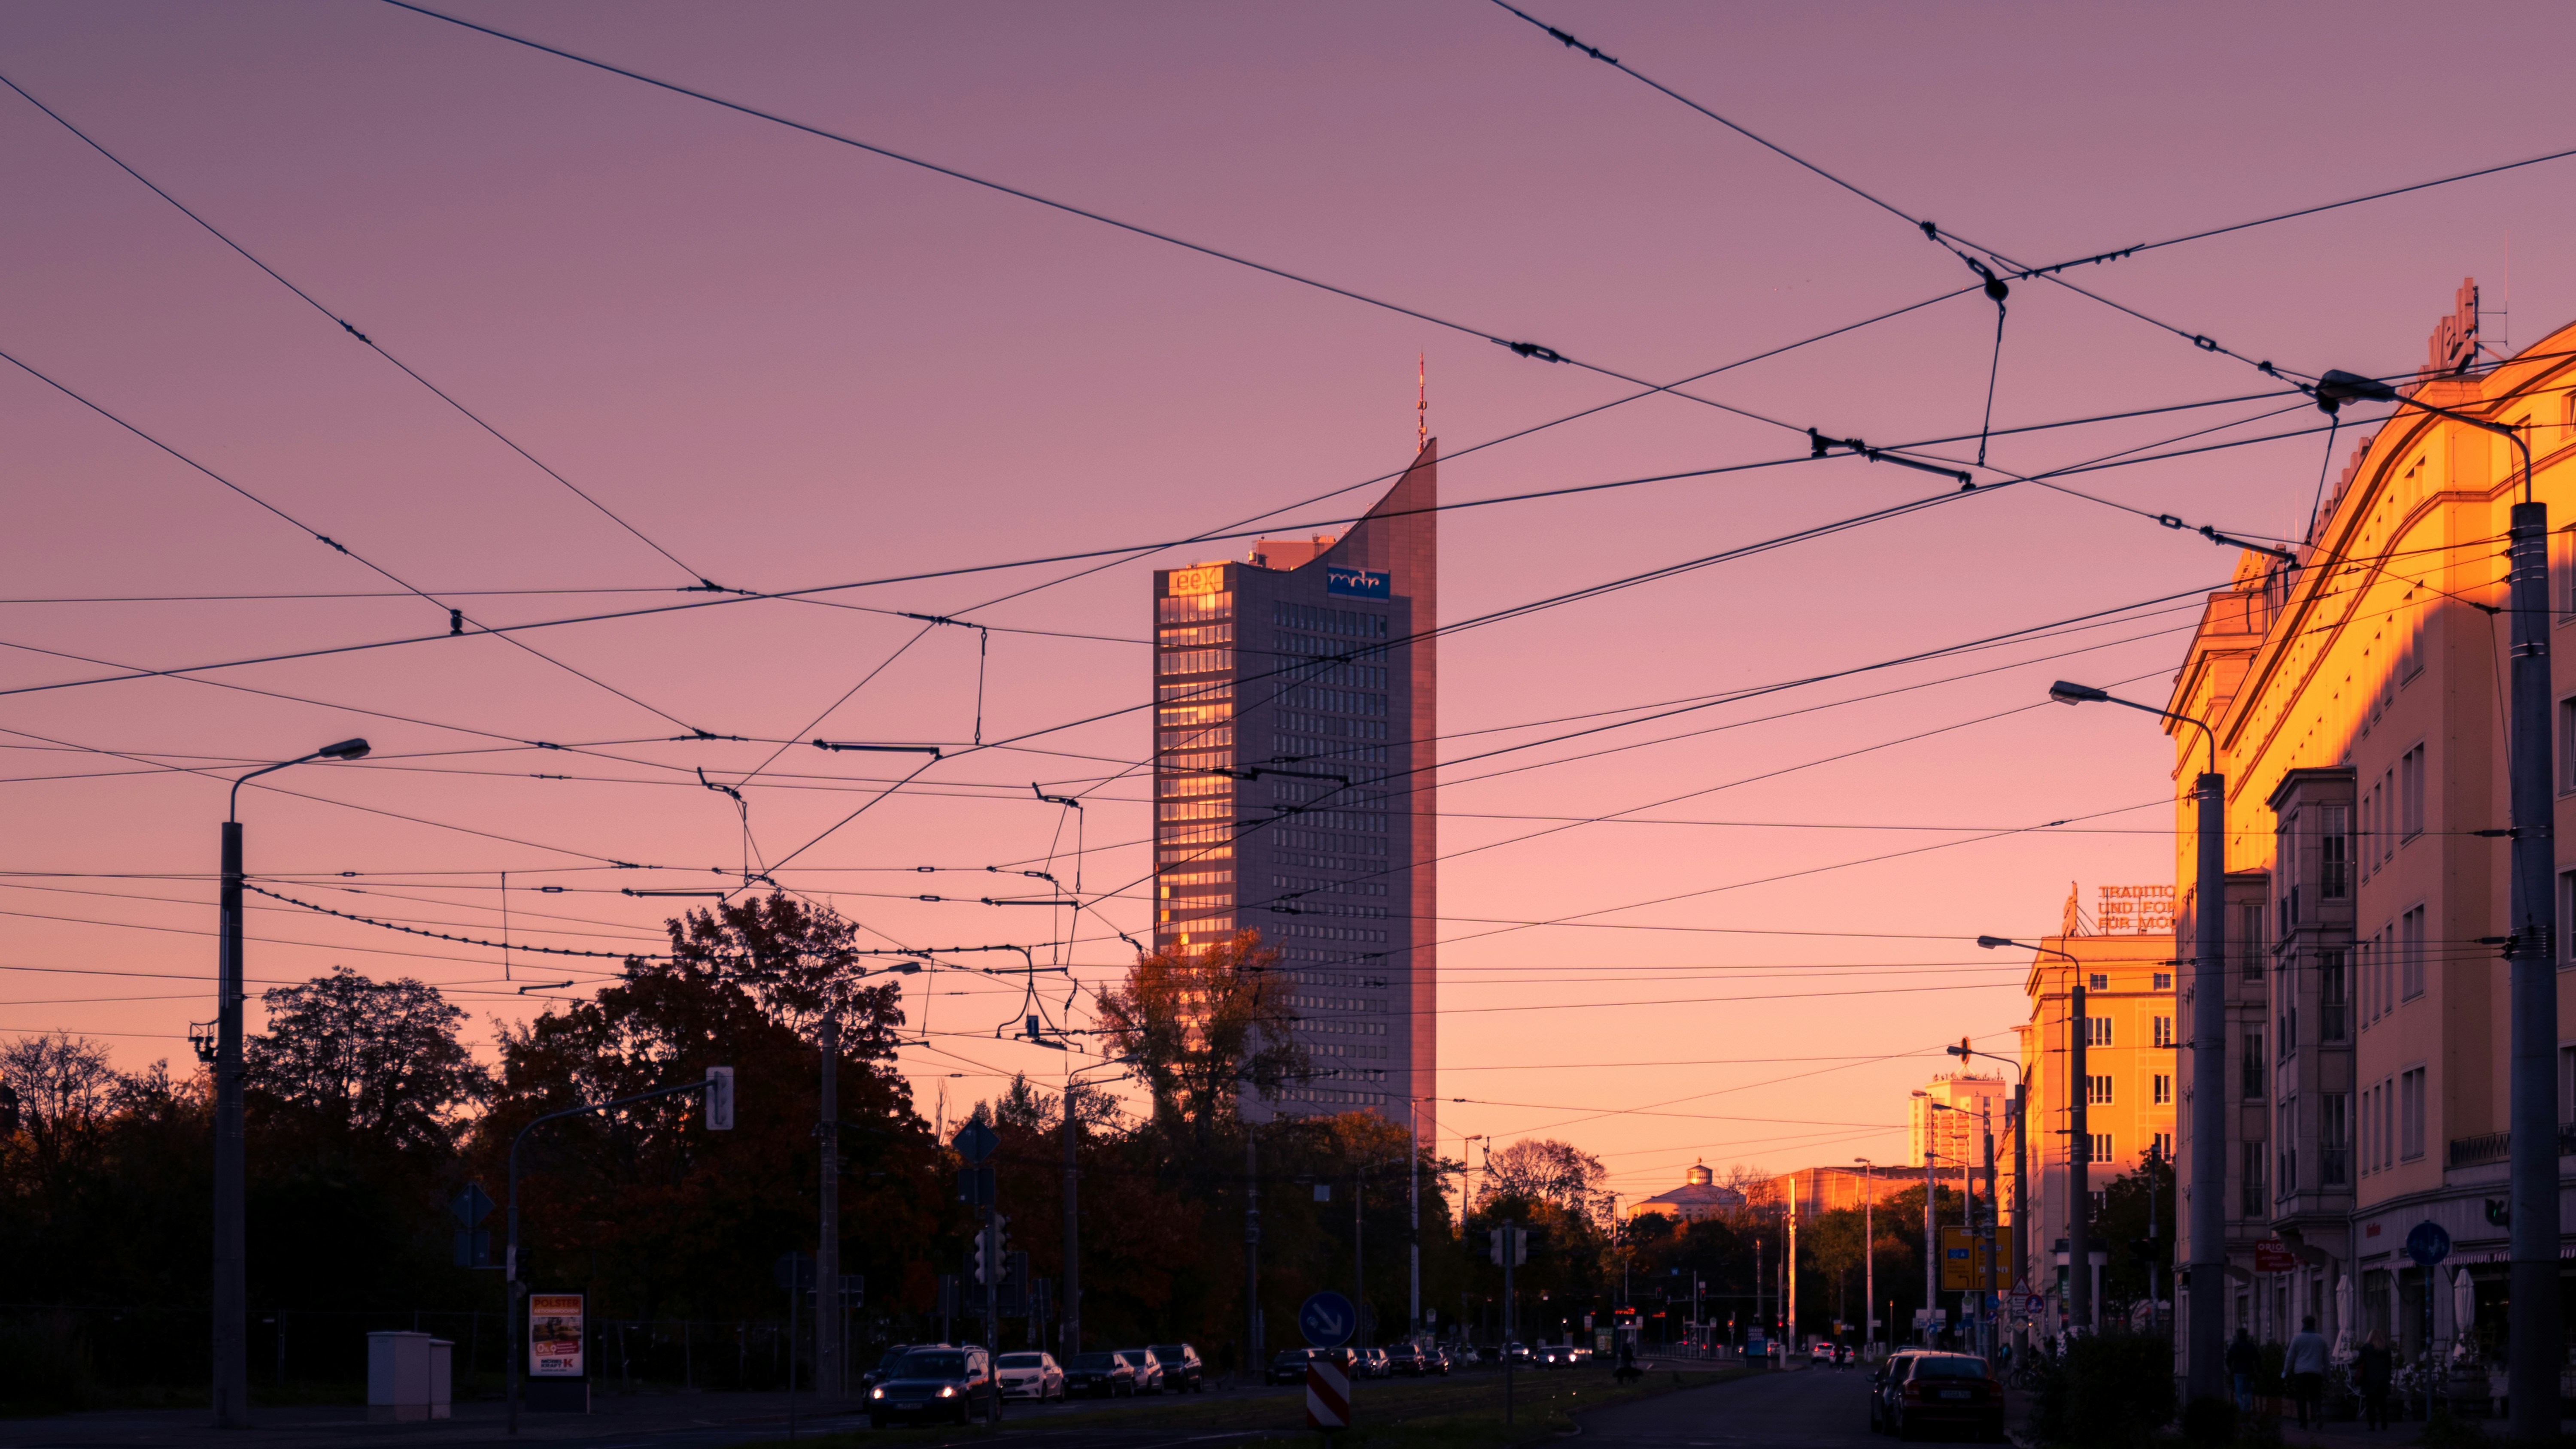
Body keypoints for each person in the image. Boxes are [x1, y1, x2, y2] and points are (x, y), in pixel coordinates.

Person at [2287, 1315, 2330, 1428]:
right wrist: (2328, 1374)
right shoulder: (2321, 1340)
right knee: (2316, 1395)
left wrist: (2285, 1372)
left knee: (2301, 1398)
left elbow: (2290, 1357)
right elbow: (2326, 1360)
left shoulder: (2297, 1339)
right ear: (2314, 1325)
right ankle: (2318, 1412)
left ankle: (2303, 1424)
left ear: (2304, 1325)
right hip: (2316, 1372)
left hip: (2301, 1372)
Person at [2356, 1329, 2394, 1430]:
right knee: (2383, 1403)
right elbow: (2389, 1365)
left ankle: (2372, 1425)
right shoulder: (2386, 1349)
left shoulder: (2365, 1349)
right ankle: (2384, 1423)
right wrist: (2388, 1377)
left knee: (2370, 1404)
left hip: (2369, 1379)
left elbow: (2359, 1361)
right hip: (2383, 1379)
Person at [2226, 1328, 2260, 1413]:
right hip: (2248, 1372)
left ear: (2238, 1336)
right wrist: (2259, 1370)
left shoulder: (2235, 1347)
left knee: (2239, 1393)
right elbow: (2258, 1359)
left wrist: (2230, 1369)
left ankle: (2241, 1410)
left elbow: (2228, 1359)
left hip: (2238, 1372)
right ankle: (2247, 1410)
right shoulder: (2251, 1346)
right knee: (2248, 1391)